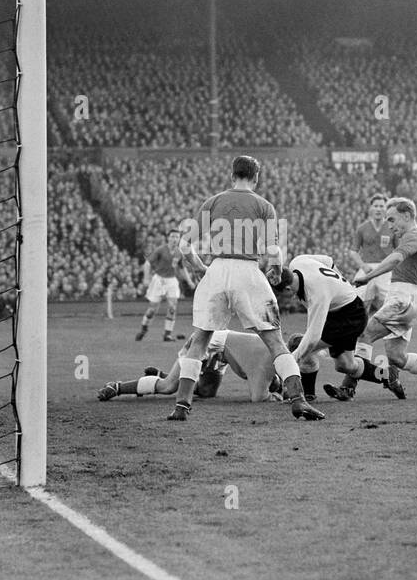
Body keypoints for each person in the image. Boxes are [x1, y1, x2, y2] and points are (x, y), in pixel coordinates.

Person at [167, 154, 322, 422]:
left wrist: (200, 268)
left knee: (200, 341)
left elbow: (184, 246)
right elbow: (273, 249)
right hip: (248, 272)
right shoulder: (264, 206)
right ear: (256, 178)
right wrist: (275, 268)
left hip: (216, 271)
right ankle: (298, 400)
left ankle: (181, 406)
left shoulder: (212, 202)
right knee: (274, 340)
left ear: (232, 176)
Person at [327, 198, 417, 400]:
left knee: (364, 334)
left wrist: (368, 276)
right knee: (396, 357)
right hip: (408, 301)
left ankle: (348, 387)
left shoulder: (414, 235)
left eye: (392, 219)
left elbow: (397, 258)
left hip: (402, 299)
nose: (390, 225)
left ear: (406, 215)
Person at [271, 252, 370, 401]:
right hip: (344, 309)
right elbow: (328, 261)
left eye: (280, 295)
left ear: (287, 289)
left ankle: (307, 395)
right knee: (346, 365)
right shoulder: (298, 262)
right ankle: (386, 376)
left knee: (301, 345)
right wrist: (341, 283)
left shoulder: (316, 293)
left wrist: (291, 362)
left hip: (350, 316)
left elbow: (313, 337)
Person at [98, 329, 284, 403]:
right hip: (211, 342)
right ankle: (118, 387)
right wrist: (277, 397)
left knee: (206, 392)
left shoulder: (274, 355)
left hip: (222, 351)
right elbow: (259, 397)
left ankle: (168, 375)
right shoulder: (268, 362)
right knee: (168, 387)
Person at [136, 229, 191, 342]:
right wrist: (146, 278)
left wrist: (189, 281)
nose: (175, 239)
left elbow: (182, 268)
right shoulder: (161, 250)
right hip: (159, 280)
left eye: (177, 237)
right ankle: (144, 329)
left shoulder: (179, 252)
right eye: (172, 237)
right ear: (168, 238)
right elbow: (147, 264)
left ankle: (167, 335)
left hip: (171, 281)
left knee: (172, 307)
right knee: (152, 310)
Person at [347, 193, 394, 316]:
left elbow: (399, 250)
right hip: (367, 270)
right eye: (376, 206)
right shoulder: (362, 228)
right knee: (357, 300)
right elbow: (353, 251)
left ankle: (391, 333)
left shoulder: (392, 227)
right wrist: (363, 266)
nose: (378, 209)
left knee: (390, 303)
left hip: (385, 270)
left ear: (386, 209)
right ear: (370, 209)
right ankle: (359, 332)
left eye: (381, 206)